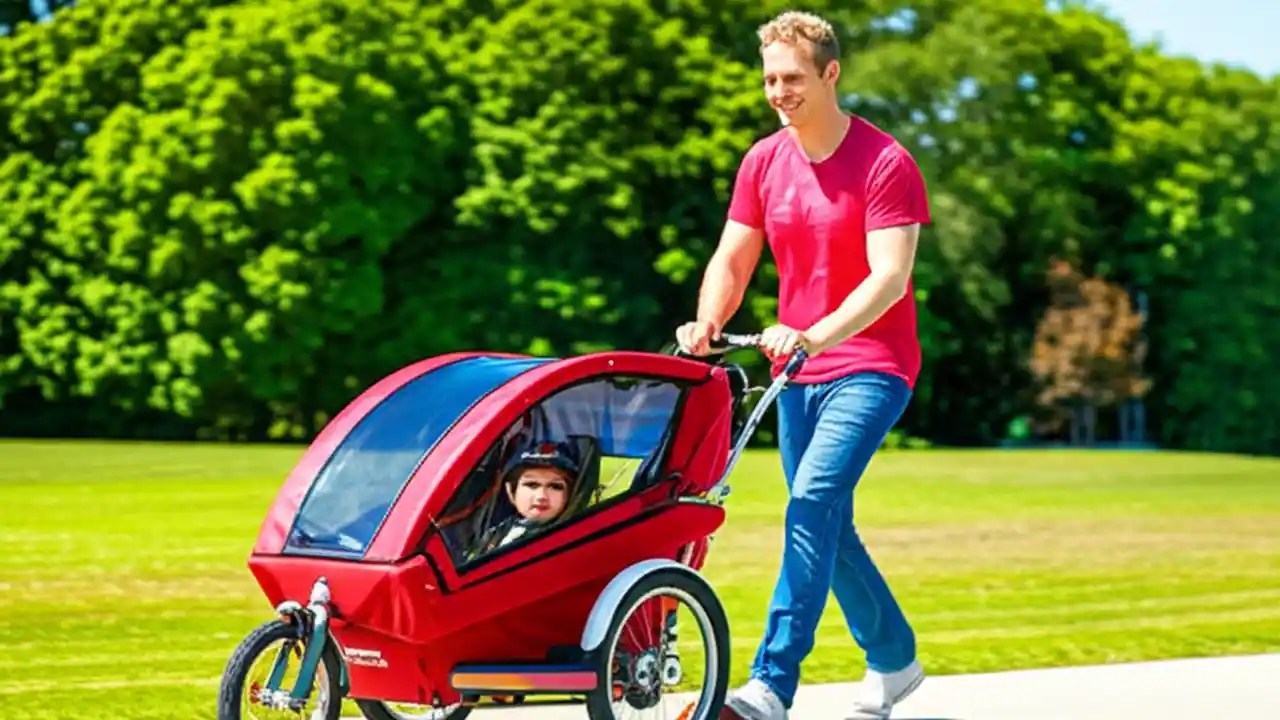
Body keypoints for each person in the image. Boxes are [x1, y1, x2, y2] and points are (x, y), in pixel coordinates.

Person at [675, 10, 932, 720]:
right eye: (769, 80)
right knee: (826, 523)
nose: (778, 92)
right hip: (797, 369)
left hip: (871, 362)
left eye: (791, 78)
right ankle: (895, 658)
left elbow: (889, 278)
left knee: (811, 502)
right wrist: (708, 321)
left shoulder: (885, 162)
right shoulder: (763, 161)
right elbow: (734, 256)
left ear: (830, 73)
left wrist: (814, 335)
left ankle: (770, 685)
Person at [470, 440, 580, 557]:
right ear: (510, 490)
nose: (541, 496)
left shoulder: (575, 541)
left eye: (555, 486)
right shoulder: (497, 533)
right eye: (531, 485)